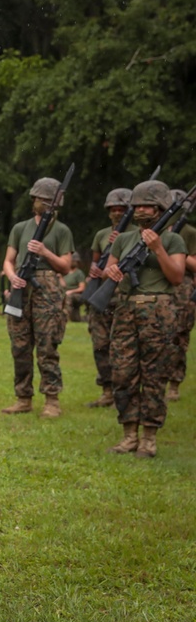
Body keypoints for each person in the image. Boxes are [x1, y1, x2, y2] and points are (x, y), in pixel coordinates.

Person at [104, 181, 186, 457]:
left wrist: (158, 248)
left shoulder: (174, 239)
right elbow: (108, 269)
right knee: (123, 372)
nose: (141, 209)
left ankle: (149, 438)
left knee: (154, 375)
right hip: (126, 310)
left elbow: (176, 277)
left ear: (160, 208)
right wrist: (113, 272)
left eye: (147, 205)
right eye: (137, 205)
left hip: (158, 310)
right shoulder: (126, 239)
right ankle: (129, 435)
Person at [0, 176, 75, 417]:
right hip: (21, 287)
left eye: (48, 200)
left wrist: (44, 251)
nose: (43, 203)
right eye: (40, 199)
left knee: (47, 344)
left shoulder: (62, 230)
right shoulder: (20, 228)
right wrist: (12, 278)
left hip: (48, 288)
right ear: (33, 200)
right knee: (20, 345)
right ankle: (23, 397)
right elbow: (8, 261)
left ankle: (52, 400)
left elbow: (65, 266)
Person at [84, 188, 133, 407]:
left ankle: (123, 393)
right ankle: (106, 391)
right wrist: (94, 271)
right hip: (102, 296)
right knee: (100, 345)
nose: (117, 212)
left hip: (124, 296)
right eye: (113, 208)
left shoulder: (138, 234)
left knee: (122, 348)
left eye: (122, 209)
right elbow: (97, 262)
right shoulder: (102, 235)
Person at [166, 189, 196, 401]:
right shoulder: (154, 230)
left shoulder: (189, 232)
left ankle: (174, 385)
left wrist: (177, 254)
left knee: (178, 336)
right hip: (159, 287)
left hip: (182, 288)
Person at [61, 253, 87, 322]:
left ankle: (65, 317)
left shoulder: (79, 273)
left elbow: (82, 288)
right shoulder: (65, 272)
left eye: (76, 261)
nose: (74, 262)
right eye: (73, 261)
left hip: (77, 295)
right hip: (64, 293)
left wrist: (71, 291)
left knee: (69, 297)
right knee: (76, 319)